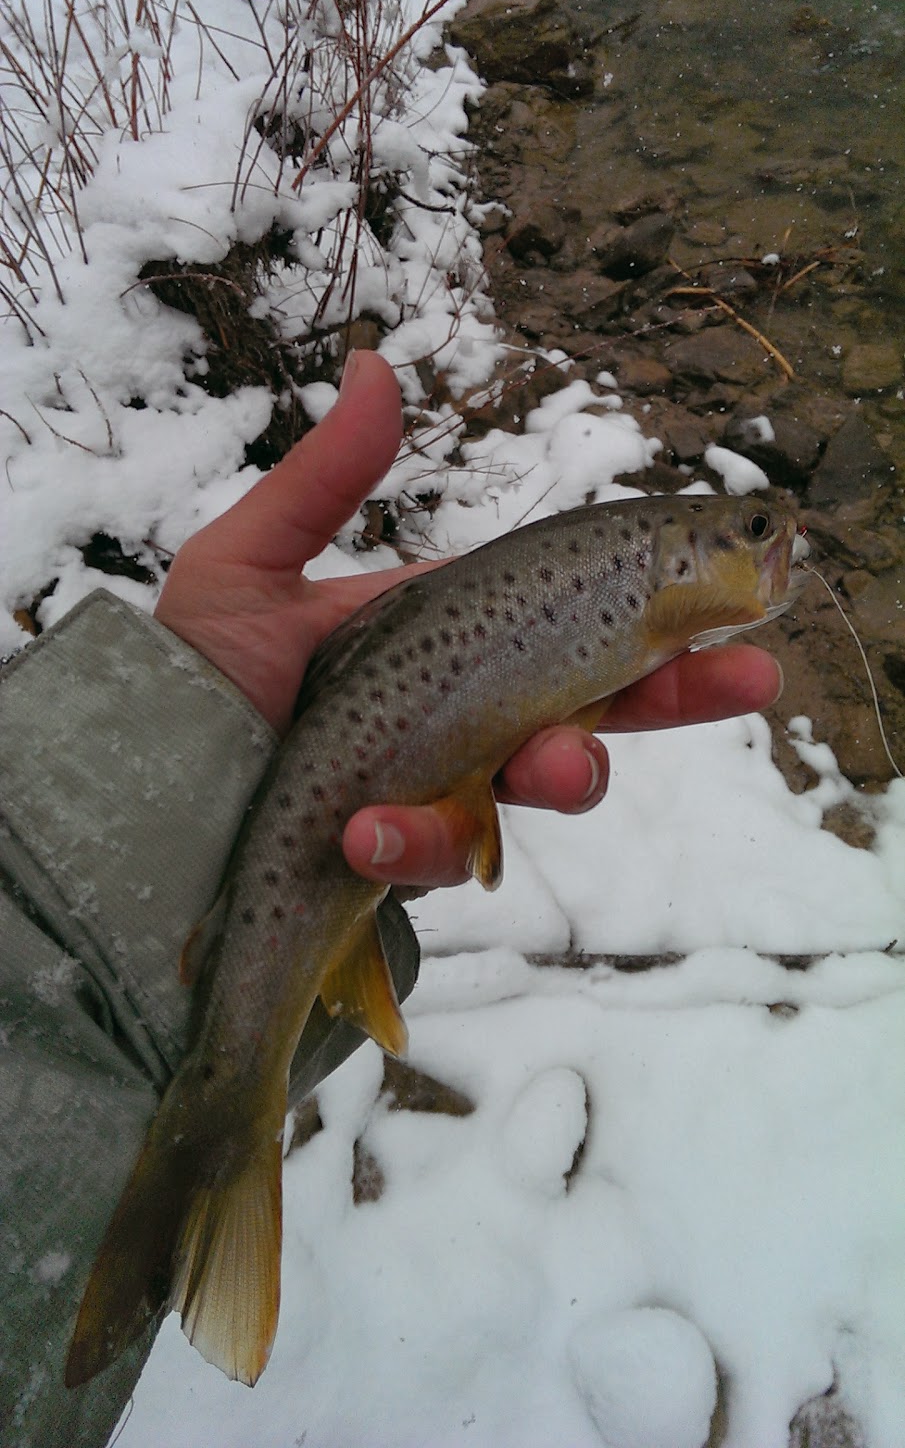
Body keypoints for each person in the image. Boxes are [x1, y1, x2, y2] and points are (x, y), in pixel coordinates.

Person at [0, 351, 781, 1446]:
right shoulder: (633, 573)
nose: (771, 543)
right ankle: (225, 1113)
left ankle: (221, 1109)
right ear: (682, 556)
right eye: (751, 534)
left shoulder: (633, 583)